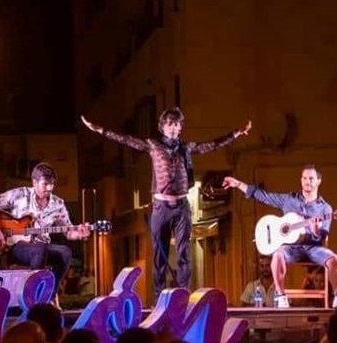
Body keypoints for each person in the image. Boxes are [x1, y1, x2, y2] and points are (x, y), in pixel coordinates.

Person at [82, 107, 251, 296]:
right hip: (161, 207)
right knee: (159, 256)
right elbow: (126, 140)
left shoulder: (186, 148)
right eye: (170, 124)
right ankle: (159, 296)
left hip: (182, 207)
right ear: (162, 127)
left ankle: (183, 294)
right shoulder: (153, 145)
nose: (173, 128)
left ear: (180, 127)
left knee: (183, 252)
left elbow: (210, 145)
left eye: (177, 124)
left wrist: (235, 134)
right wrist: (100, 130)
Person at [223, 165, 337, 306]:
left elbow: (323, 236)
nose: (307, 181)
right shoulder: (289, 200)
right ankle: (281, 296)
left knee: (334, 259)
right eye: (304, 178)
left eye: (311, 179)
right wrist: (238, 184)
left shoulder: (325, 208)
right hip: (291, 248)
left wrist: (316, 231)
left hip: (313, 248)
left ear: (319, 181)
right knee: (277, 255)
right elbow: (263, 196)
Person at [0, 162, 89, 287]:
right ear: (34, 182)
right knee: (40, 248)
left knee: (65, 252)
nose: (49, 188)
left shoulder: (58, 204)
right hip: (16, 247)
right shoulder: (20, 194)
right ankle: (31, 290)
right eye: (45, 184)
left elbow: (68, 231)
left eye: (52, 184)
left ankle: (49, 292)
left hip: (42, 247)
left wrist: (78, 233)